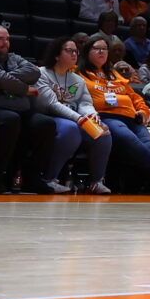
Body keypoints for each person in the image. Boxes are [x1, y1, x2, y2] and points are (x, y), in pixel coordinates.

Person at [79, 37, 150, 195]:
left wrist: (143, 112)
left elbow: (136, 97)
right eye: (97, 48)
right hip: (107, 117)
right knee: (129, 139)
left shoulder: (114, 74)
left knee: (147, 147)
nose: (102, 52)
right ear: (87, 51)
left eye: (105, 49)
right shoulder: (81, 74)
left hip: (133, 118)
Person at [0, 23, 48, 192]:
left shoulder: (13, 57)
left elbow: (34, 73)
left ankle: (32, 178)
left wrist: (0, 84)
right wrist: (23, 88)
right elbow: (0, 77)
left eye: (7, 39)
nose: (5, 43)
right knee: (10, 119)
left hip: (19, 108)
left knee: (45, 123)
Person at [35, 36, 114, 194]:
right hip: (48, 117)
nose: (74, 55)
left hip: (74, 118)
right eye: (69, 51)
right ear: (57, 55)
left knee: (103, 131)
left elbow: (84, 103)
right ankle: (50, 179)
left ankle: (96, 182)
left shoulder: (77, 80)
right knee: (71, 129)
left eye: (76, 52)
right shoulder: (41, 73)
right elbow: (52, 104)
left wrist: (92, 115)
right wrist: (79, 118)